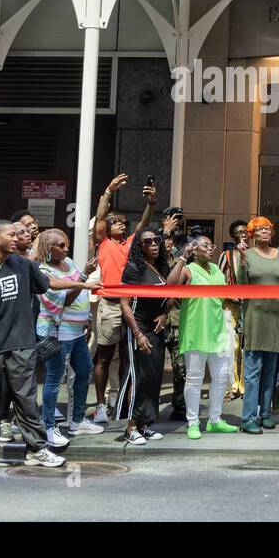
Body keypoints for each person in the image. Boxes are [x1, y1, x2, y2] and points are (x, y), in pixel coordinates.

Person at [0, 220, 63, 469]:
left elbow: (44, 286)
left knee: (26, 399)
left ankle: (37, 450)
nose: (17, 238)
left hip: (22, 344)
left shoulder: (23, 264)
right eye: (11, 235)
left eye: (19, 235)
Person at [90, 174, 156, 424]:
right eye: (116, 222)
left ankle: (124, 402)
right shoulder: (103, 242)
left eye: (123, 222)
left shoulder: (130, 244)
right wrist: (108, 191)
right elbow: (99, 218)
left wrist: (151, 203)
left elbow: (143, 226)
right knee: (104, 357)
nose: (121, 225)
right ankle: (99, 405)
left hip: (131, 306)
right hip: (110, 305)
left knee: (128, 358)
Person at [35, 227, 104, 443]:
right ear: (48, 248)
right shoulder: (43, 271)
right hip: (56, 332)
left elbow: (81, 292)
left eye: (67, 244)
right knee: (54, 379)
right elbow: (64, 299)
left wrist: (88, 320)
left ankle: (77, 421)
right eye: (61, 245)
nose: (66, 249)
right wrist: (83, 280)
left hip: (76, 331)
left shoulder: (70, 262)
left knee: (84, 369)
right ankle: (48, 428)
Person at [166, 234, 239, 439]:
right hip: (196, 331)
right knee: (195, 379)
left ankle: (215, 420)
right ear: (194, 248)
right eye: (205, 245)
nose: (210, 249)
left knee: (221, 376)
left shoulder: (216, 270)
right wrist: (182, 257)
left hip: (218, 330)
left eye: (211, 245)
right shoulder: (189, 270)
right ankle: (193, 422)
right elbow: (170, 286)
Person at [119, 226, 173, 444]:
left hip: (156, 327)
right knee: (138, 377)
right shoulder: (133, 268)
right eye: (148, 242)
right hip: (138, 327)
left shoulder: (161, 266)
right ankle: (130, 427)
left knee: (153, 377)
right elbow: (125, 303)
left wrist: (165, 314)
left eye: (156, 240)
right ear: (138, 246)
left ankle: (144, 424)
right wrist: (137, 333)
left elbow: (170, 294)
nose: (153, 245)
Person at [235, 217, 279, 435]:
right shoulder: (246, 255)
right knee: (253, 371)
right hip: (255, 317)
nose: (265, 232)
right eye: (260, 229)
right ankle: (248, 417)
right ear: (251, 234)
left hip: (276, 318)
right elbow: (240, 285)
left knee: (270, 371)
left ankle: (265, 414)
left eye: (268, 228)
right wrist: (241, 260)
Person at [160, 205, 188, 422]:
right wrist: (165, 231)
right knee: (151, 367)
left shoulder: (184, 252)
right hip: (154, 319)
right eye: (173, 218)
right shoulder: (152, 249)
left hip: (177, 317)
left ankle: (179, 404)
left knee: (180, 366)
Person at [217, 218, 250, 400]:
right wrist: (229, 294)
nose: (242, 235)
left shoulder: (253, 254)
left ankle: (245, 386)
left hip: (250, 305)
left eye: (245, 232)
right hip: (231, 305)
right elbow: (220, 279)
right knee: (232, 345)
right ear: (232, 236)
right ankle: (232, 386)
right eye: (238, 233)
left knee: (246, 347)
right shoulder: (226, 256)